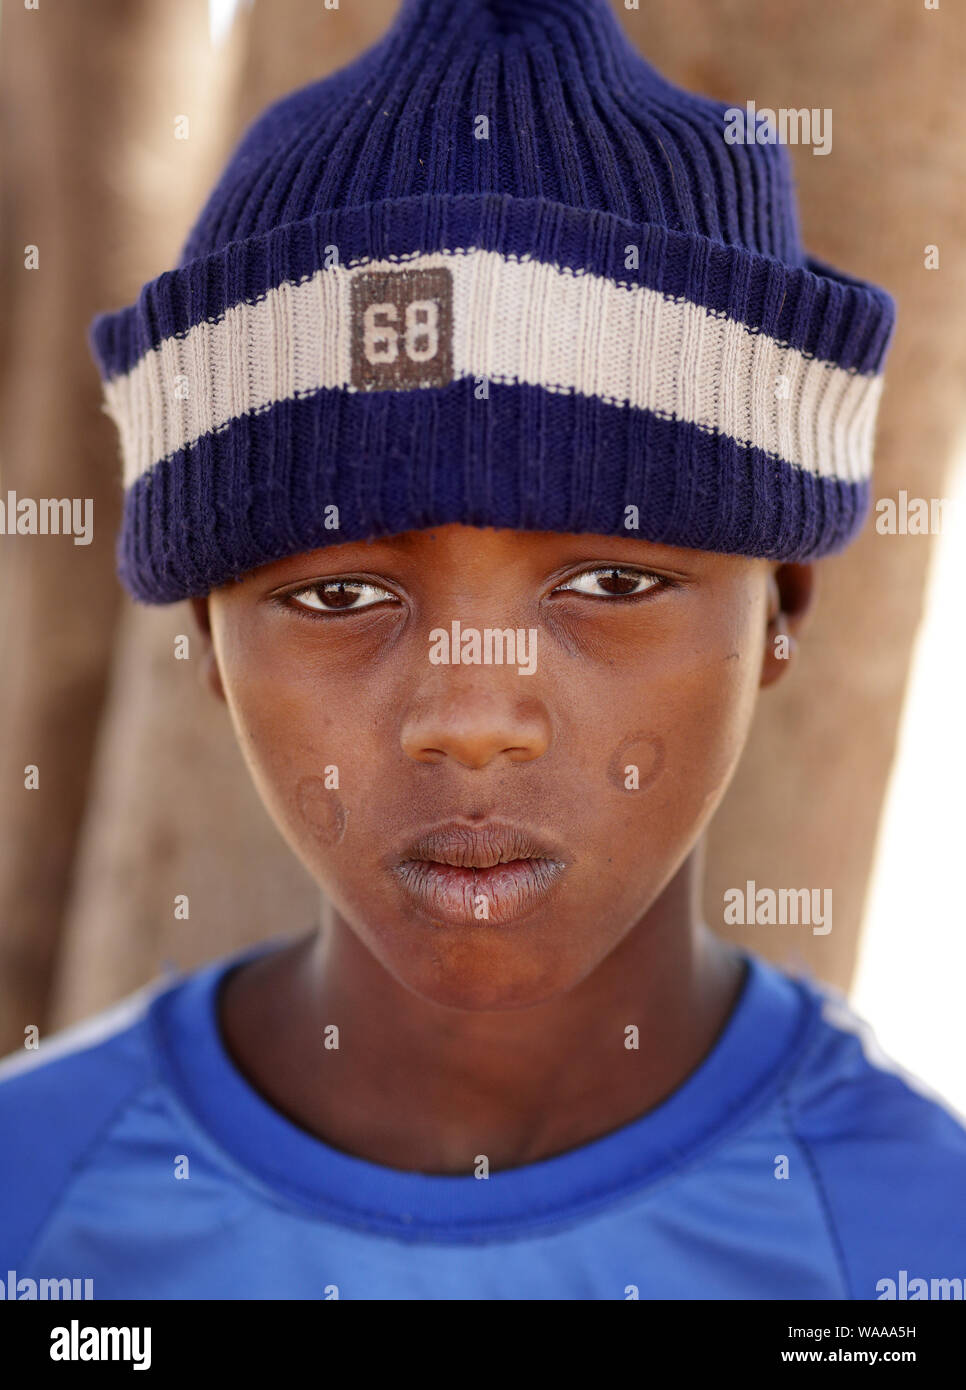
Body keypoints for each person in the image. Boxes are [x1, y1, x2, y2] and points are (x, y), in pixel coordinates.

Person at [1, 0, 963, 1301]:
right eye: (339, 592)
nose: (472, 715)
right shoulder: (37, 1212)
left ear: (781, 608)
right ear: (210, 643)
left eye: (613, 577)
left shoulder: (902, 1248)